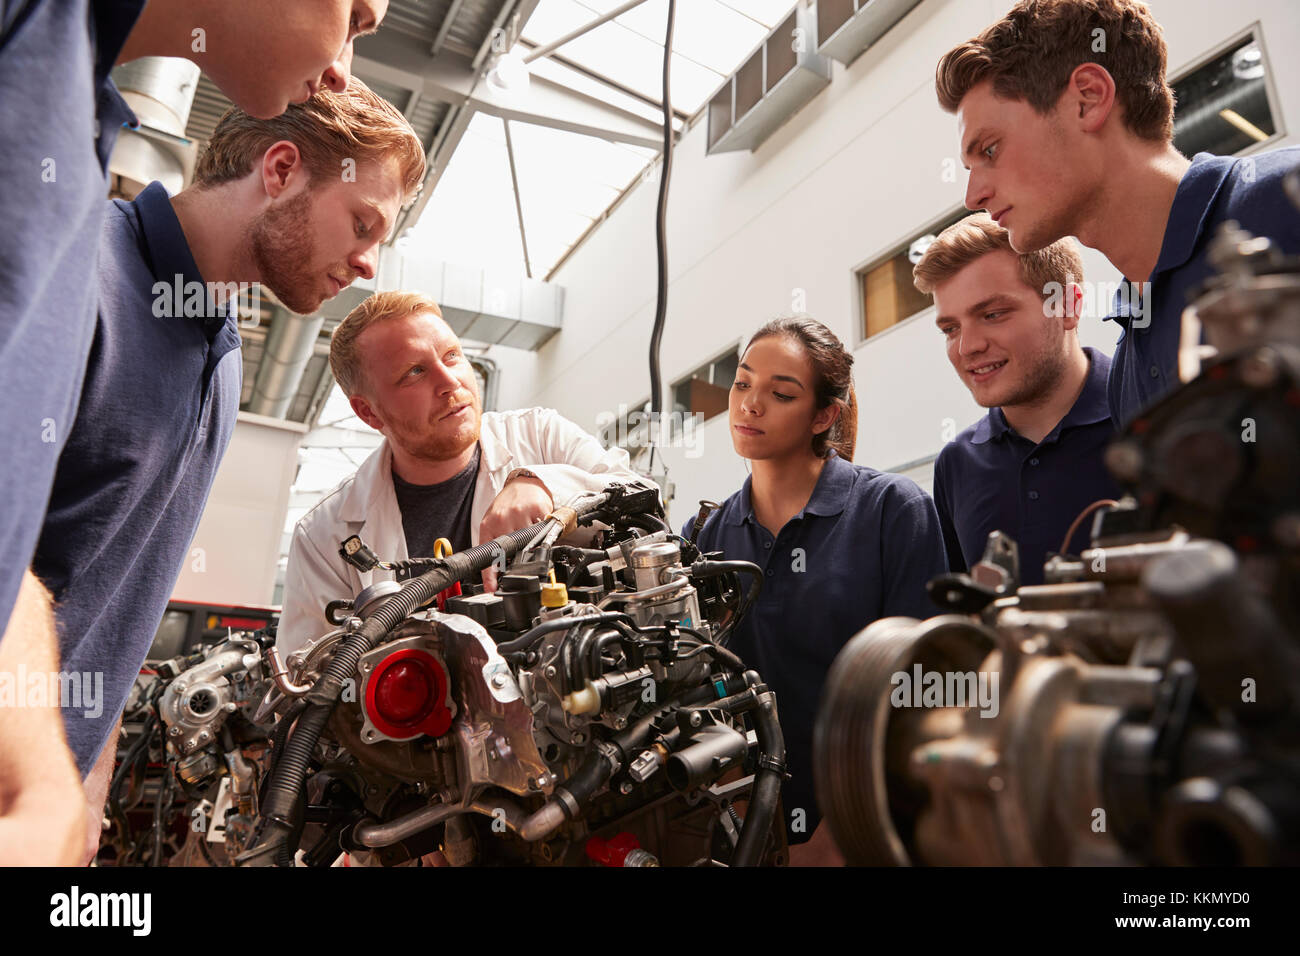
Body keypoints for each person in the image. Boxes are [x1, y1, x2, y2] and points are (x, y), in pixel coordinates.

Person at [0, 0, 388, 865]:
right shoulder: (88, 265)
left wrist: (85, 790)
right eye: (364, 224)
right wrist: (41, 779)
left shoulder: (224, 359)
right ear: (281, 169)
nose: (369, 264)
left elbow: (111, 601)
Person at [935, 0, 1300, 427]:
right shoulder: (1126, 373)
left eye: (990, 150)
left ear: (1088, 99)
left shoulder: (1287, 198)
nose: (974, 195)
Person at [682, 317, 949, 865]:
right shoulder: (705, 537)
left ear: (824, 415)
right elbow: (702, 691)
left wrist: (839, 837)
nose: (750, 404)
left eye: (781, 393)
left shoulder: (891, 510)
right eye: (741, 383)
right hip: (748, 829)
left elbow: (923, 692)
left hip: (873, 829)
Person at [278, 292, 649, 656]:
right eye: (415, 372)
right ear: (369, 414)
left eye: (452, 356)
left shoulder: (541, 436)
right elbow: (313, 685)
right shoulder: (324, 536)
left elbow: (646, 500)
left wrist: (543, 485)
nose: (450, 382)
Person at [914, 213, 1123, 584]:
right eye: (951, 328)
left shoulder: (1150, 420)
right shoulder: (956, 465)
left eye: (992, 314)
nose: (968, 347)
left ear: (1068, 306)